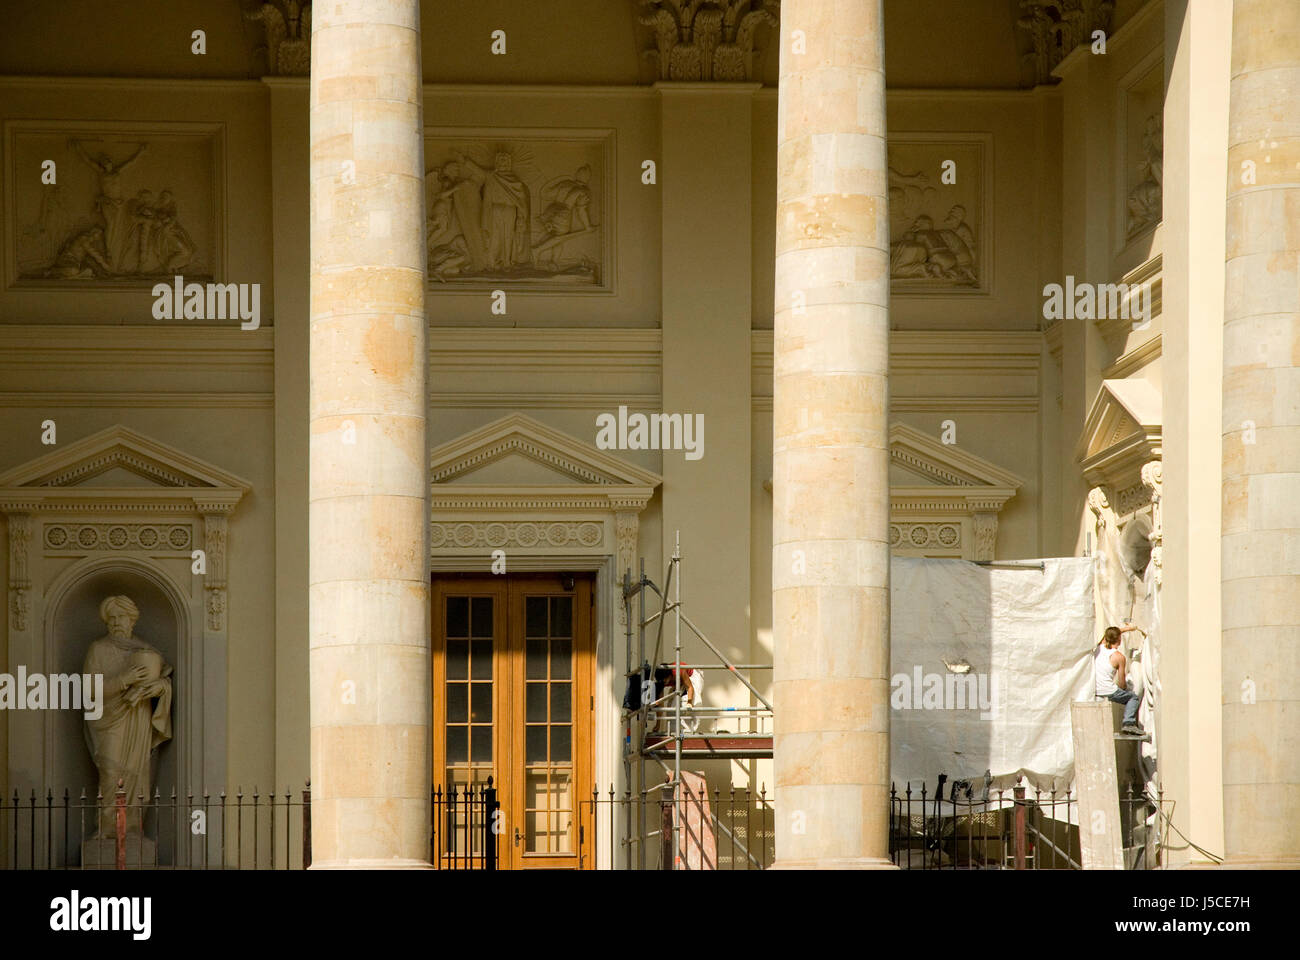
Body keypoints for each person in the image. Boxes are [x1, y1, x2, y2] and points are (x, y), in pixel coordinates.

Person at [1095, 622, 1143, 734]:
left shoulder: (1099, 648)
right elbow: (1122, 684)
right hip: (1108, 691)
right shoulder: (1119, 657)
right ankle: (1128, 723)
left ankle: (1128, 723)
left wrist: (1127, 628)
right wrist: (1127, 687)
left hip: (1095, 689)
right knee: (1133, 698)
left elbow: (1111, 634)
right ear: (1119, 640)